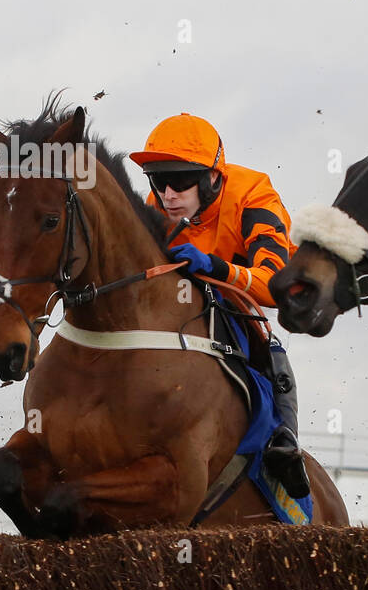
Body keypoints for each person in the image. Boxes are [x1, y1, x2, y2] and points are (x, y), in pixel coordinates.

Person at [131, 113, 310, 497]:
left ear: (213, 177)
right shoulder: (156, 204)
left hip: (237, 311)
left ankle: (284, 441)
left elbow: (276, 285)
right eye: (159, 181)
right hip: (175, 312)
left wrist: (216, 268)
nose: (168, 194)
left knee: (271, 350)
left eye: (180, 180)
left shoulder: (254, 196)